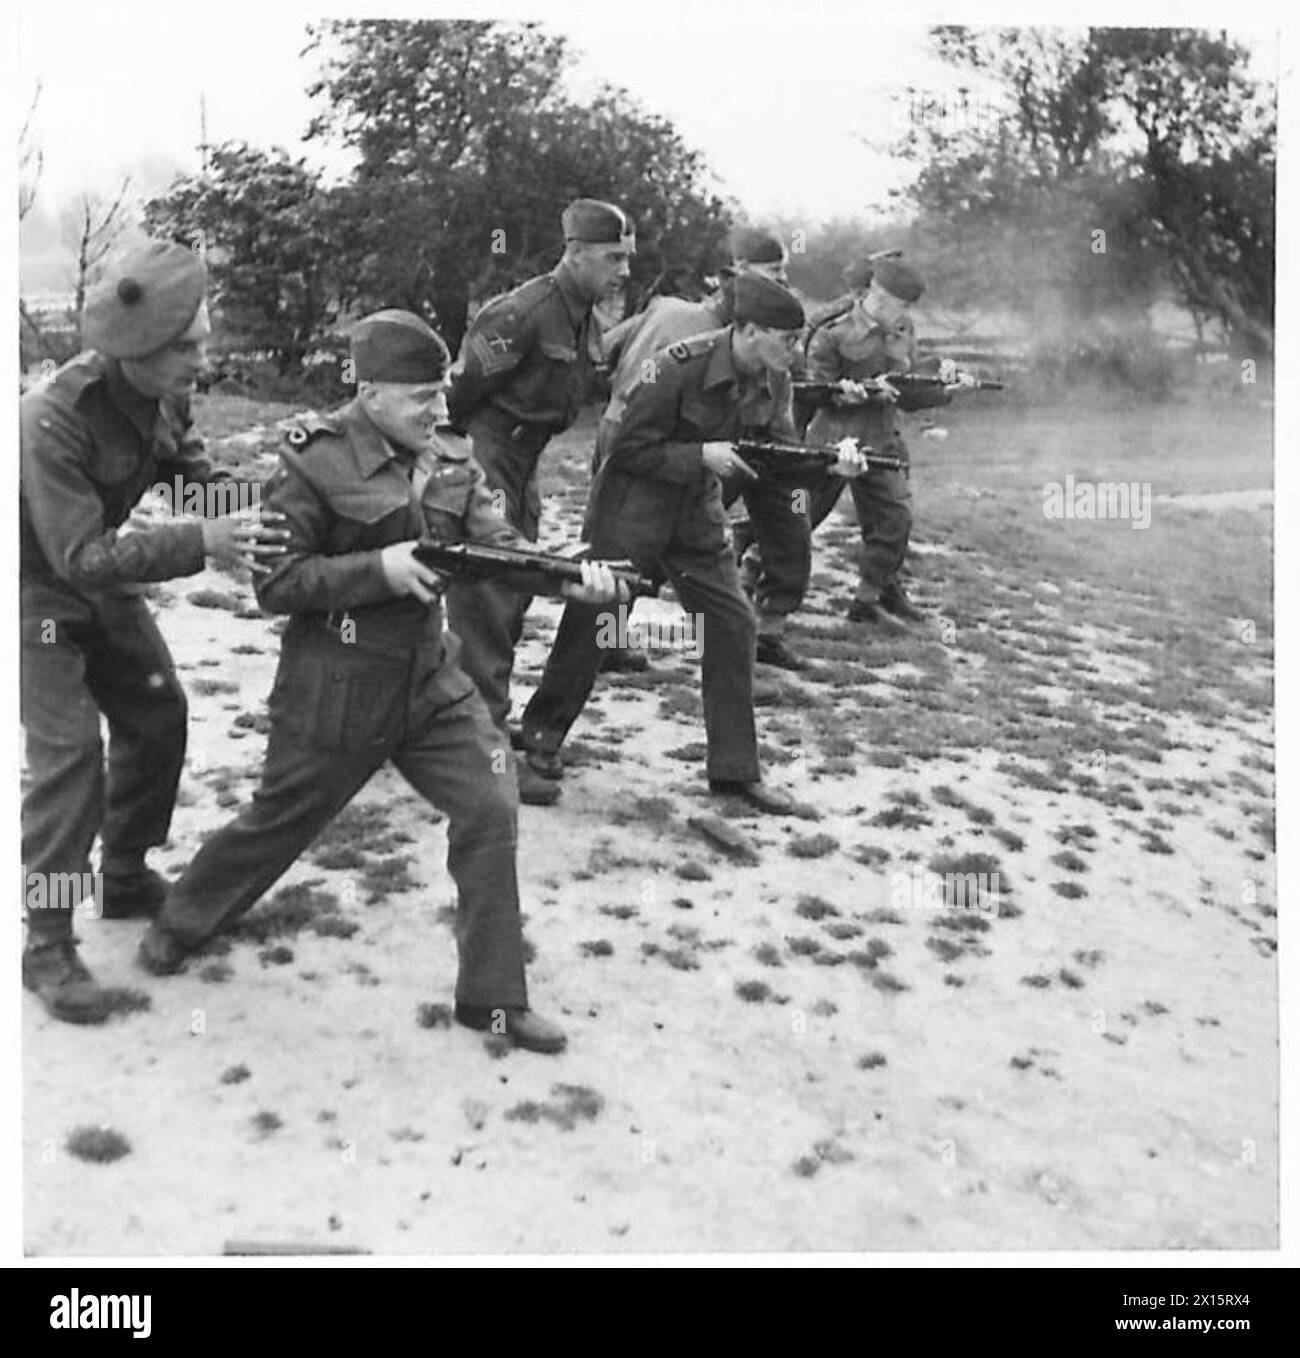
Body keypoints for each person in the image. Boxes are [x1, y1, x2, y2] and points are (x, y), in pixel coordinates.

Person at [137, 310, 623, 1055]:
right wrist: (379, 570)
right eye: (419, 396)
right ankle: (183, 920)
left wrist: (570, 583)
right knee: (280, 819)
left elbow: (499, 547)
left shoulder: (452, 457)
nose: (438, 409)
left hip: (432, 685)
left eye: (440, 393)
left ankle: (491, 1000)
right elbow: (278, 583)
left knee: (492, 809)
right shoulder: (313, 460)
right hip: (337, 688)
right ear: (368, 394)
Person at [20, 239, 289, 1025]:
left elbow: (190, 479)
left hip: (92, 572)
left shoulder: (166, 395)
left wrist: (269, 503)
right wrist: (201, 546)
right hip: (35, 589)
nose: (202, 359)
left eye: (204, 341)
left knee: (158, 711)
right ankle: (46, 938)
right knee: (68, 759)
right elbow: (78, 558)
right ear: (135, 351)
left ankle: (127, 872)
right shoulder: (52, 420)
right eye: (188, 348)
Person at [520, 273, 828, 815]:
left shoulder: (774, 380)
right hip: (631, 506)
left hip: (695, 515)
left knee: (731, 624)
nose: (794, 350)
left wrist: (834, 462)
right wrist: (699, 456)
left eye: (796, 339)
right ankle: (542, 738)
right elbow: (625, 449)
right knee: (598, 619)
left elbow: (778, 454)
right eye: (785, 338)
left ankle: (735, 774)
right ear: (749, 330)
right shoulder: (675, 365)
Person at [443, 198, 635, 805]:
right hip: (489, 456)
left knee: (510, 597)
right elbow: (459, 392)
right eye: (612, 258)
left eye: (627, 258)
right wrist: (458, 472)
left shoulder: (583, 317)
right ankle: (484, 757)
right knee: (488, 609)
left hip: (523, 465)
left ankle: (445, 729)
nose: (623, 271)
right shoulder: (521, 314)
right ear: (574, 254)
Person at [588, 226, 828, 673]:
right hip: (643, 442)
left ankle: (757, 638)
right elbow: (616, 364)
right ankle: (604, 643)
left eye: (783, 274)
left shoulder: (766, 347)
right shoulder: (685, 323)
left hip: (729, 452)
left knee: (758, 536)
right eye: (771, 272)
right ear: (738, 275)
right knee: (629, 555)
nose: (781, 283)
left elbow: (775, 417)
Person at [798, 257, 972, 626]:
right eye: (900, 304)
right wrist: (849, 394)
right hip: (831, 441)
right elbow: (811, 391)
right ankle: (751, 575)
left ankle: (869, 599)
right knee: (799, 517)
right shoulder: (834, 332)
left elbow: (906, 393)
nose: (904, 314)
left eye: (908, 308)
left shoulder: (904, 331)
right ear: (877, 292)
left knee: (895, 518)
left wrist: (944, 392)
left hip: (880, 442)